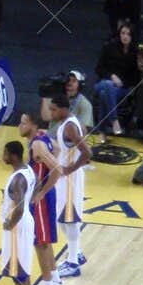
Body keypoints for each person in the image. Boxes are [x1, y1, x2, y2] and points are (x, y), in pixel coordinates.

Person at [21, 113, 65, 285]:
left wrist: (41, 191)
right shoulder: (43, 137)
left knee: (40, 242)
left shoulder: (37, 144)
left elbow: (57, 169)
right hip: (45, 195)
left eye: (23, 122)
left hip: (41, 198)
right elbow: (56, 149)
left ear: (32, 124)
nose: (19, 125)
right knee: (43, 240)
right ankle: (55, 281)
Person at [46, 93, 91, 272]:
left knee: (69, 219)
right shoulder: (71, 122)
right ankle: (77, 252)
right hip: (64, 177)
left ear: (64, 109)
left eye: (54, 110)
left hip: (70, 178)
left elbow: (88, 153)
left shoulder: (70, 127)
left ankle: (73, 263)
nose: (51, 113)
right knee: (61, 218)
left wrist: (69, 169)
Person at [0, 140, 40, 285]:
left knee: (18, 273)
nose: (3, 156)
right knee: (23, 268)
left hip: (18, 227)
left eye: (5, 153)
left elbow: (20, 206)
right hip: (25, 223)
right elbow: (38, 184)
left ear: (13, 156)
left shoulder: (17, 180)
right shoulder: (29, 170)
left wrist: (10, 223)